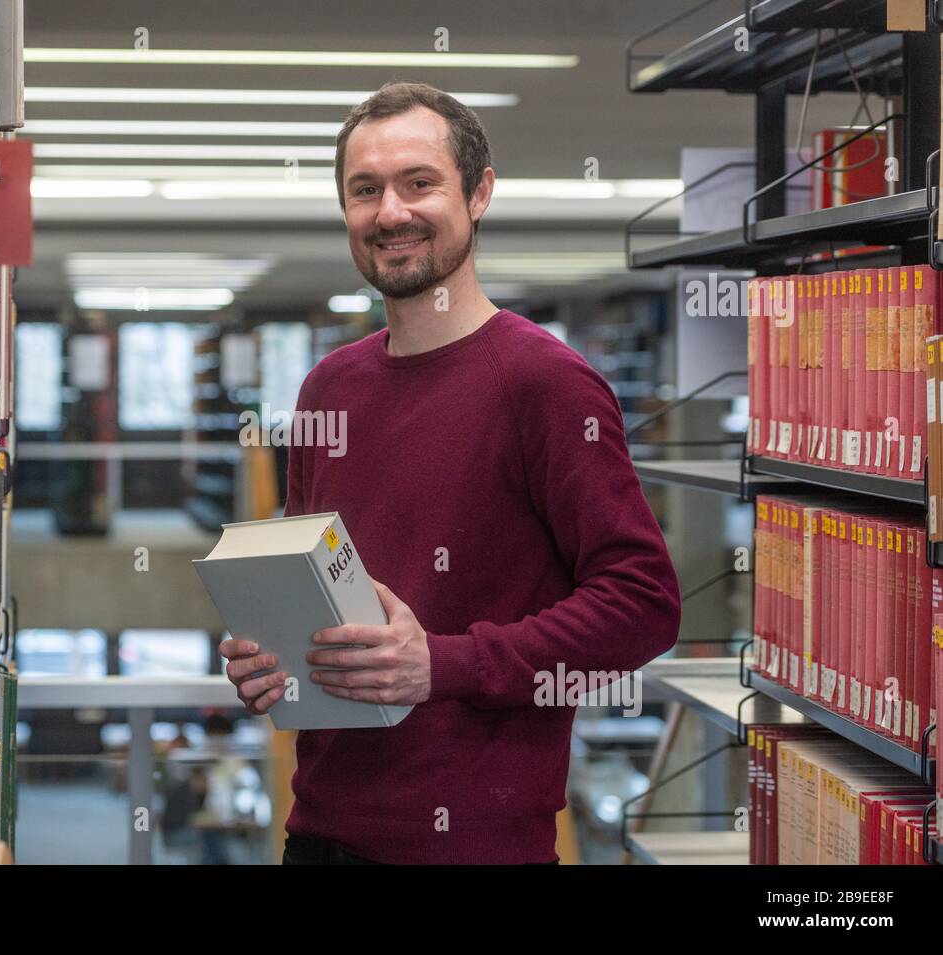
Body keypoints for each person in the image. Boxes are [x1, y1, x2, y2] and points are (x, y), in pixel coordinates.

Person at [220, 81, 681, 865]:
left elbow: (643, 604)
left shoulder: (546, 384)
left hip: (477, 845)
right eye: (365, 190)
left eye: (419, 182)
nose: (389, 212)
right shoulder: (328, 388)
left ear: (480, 192)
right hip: (320, 834)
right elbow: (320, 589)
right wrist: (273, 654)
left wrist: (444, 663)